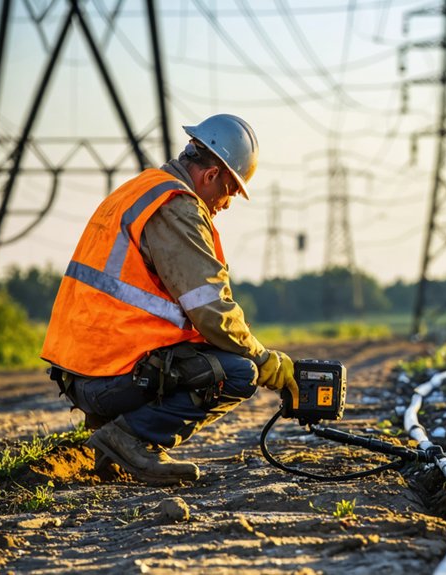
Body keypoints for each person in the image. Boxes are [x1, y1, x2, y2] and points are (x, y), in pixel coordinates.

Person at [41, 114, 297, 485]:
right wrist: (264, 359)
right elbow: (211, 310)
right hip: (106, 377)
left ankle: (115, 431)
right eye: (230, 192)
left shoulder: (142, 189)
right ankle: (130, 439)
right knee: (239, 373)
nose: (225, 205)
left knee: (212, 360)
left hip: (85, 370)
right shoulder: (176, 207)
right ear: (211, 177)